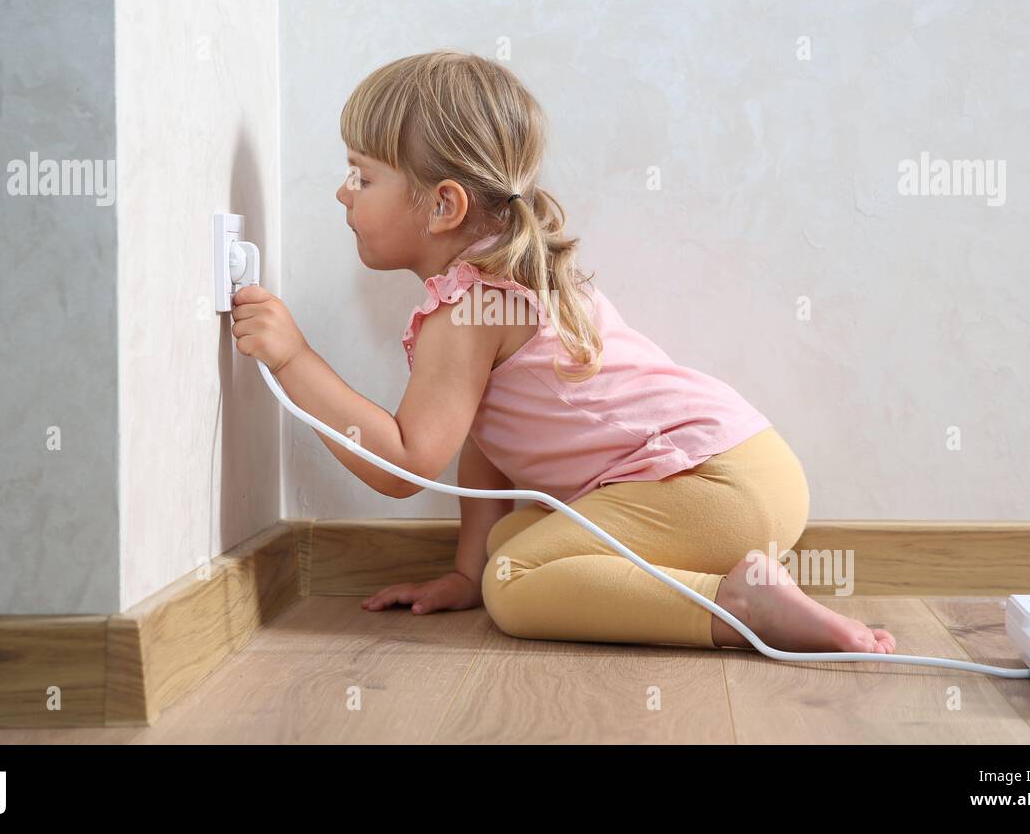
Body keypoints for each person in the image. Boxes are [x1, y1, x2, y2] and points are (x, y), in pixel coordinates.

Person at [231, 50, 895, 655]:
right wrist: (466, 569)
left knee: (514, 585)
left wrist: (294, 359)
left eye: (362, 176)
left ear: (442, 206)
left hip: (712, 488)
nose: (343, 192)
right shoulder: (509, 278)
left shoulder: (467, 305)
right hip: (749, 471)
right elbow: (487, 439)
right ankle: (730, 582)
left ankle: (737, 606)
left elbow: (408, 463)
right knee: (505, 548)